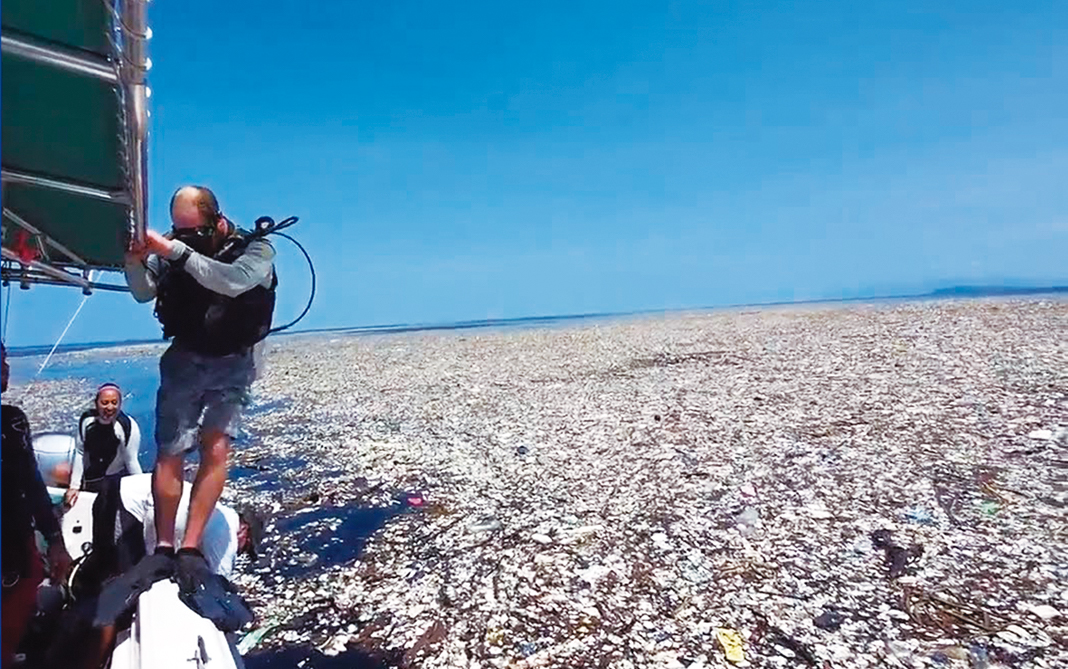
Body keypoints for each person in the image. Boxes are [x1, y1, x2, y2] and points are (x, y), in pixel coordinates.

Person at [123, 185, 275, 585]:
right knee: (171, 450)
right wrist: (136, 262)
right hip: (185, 358)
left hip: (235, 362)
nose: (183, 239)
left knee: (216, 445)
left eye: (193, 231)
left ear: (218, 221)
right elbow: (143, 293)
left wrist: (176, 251)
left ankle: (190, 546)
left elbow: (231, 282)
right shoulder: (174, 248)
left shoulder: (255, 251)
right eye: (178, 230)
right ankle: (163, 549)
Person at [49, 473, 264, 669]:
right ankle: (92, 658)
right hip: (124, 505)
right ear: (244, 530)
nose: (242, 551)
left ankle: (74, 623)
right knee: (120, 597)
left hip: (116, 493)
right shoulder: (225, 534)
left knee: (107, 578)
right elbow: (216, 595)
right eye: (246, 546)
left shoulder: (220, 515)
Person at [1, 343, 73, 668]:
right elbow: (31, 483)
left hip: (14, 549)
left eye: (4, 359)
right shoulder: (11, 422)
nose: (6, 367)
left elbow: (31, 484)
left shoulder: (12, 422)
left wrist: (54, 540)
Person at [65, 382, 143, 508]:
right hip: (91, 478)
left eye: (114, 402)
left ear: (120, 404)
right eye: (105, 402)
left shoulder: (127, 426)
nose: (110, 407)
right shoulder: (87, 420)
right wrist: (74, 486)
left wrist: (142, 491)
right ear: (97, 403)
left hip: (116, 479)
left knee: (109, 518)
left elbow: (131, 461)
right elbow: (80, 453)